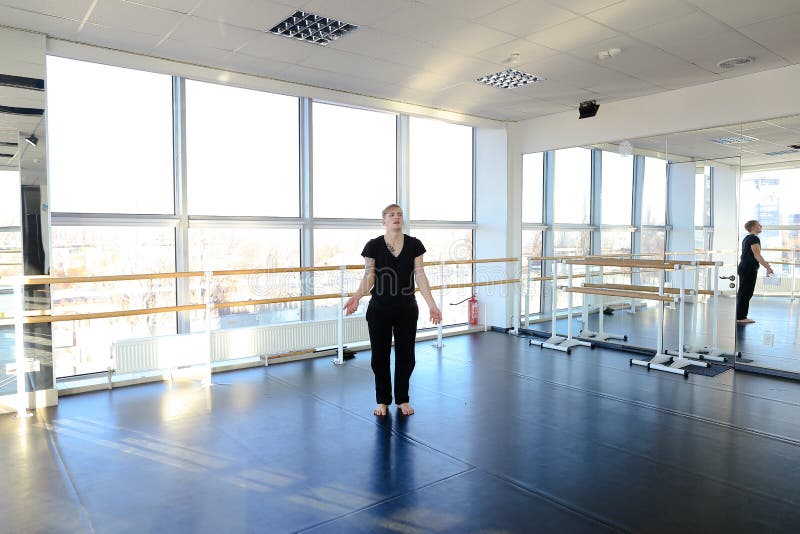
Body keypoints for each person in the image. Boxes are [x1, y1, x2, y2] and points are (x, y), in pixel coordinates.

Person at [343, 204, 441, 416]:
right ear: (383, 220)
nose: (396, 217)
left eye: (399, 214)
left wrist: (432, 305)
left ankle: (402, 399)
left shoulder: (414, 244)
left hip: (407, 309)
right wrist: (357, 296)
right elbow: (369, 275)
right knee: (380, 357)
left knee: (407, 357)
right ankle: (383, 401)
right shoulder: (373, 246)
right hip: (379, 310)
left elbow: (420, 275)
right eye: (391, 215)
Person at [736, 220, 773, 324]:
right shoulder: (754, 238)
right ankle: (741, 317)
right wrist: (767, 267)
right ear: (753, 227)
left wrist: (765, 264)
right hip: (748, 268)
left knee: (743, 292)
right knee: (746, 292)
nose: (761, 226)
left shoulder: (747, 238)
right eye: (758, 225)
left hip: (744, 267)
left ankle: (739, 315)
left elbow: (752, 255)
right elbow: (757, 255)